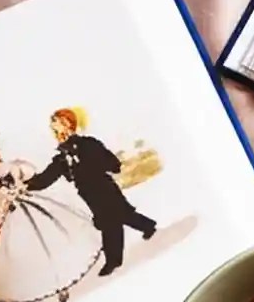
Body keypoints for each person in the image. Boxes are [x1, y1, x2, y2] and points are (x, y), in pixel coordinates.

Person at [0, 131, 102, 302]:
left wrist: (16, 191)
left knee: (50, 239)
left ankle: (63, 282)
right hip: (11, 217)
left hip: (29, 206)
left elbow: (29, 180)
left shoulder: (12, 167)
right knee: (23, 251)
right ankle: (54, 285)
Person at [27, 108, 157, 277]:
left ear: (67, 124)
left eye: (56, 122)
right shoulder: (62, 156)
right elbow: (46, 178)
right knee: (122, 215)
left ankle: (113, 261)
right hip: (89, 193)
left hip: (104, 187)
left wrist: (92, 163)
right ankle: (148, 226)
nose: (53, 127)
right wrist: (24, 184)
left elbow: (113, 164)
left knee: (110, 221)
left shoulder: (88, 143)